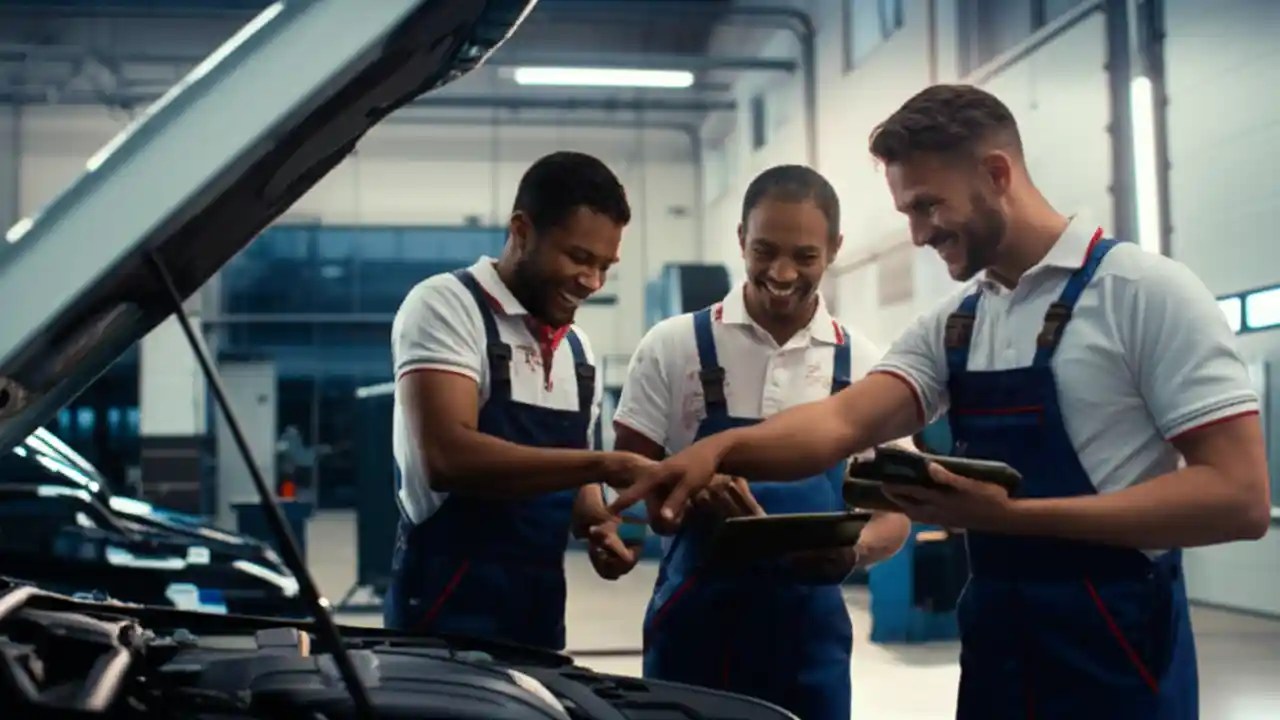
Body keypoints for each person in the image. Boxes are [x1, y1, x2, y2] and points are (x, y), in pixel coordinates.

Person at [610, 85, 1271, 719]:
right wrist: (716, 451)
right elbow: (840, 421)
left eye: (927, 206)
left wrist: (1012, 518)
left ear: (995, 173)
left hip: (1117, 655)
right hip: (997, 655)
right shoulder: (956, 323)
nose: (918, 233)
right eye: (907, 213)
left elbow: (1237, 497)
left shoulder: (1146, 293)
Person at [577, 165, 910, 720]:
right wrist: (655, 518)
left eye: (805, 257)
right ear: (739, 240)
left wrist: (853, 553)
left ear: (835, 249)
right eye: (764, 250)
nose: (781, 273)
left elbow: (896, 512)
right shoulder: (673, 347)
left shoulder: (867, 367)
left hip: (811, 645)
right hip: (694, 632)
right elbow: (628, 488)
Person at [383, 150, 655, 651]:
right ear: (522, 230)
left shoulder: (578, 352)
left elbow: (580, 492)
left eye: (604, 266)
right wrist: (606, 462)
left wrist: (605, 529)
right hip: (441, 618)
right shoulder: (446, 306)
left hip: (538, 621)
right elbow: (448, 457)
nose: (592, 282)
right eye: (578, 257)